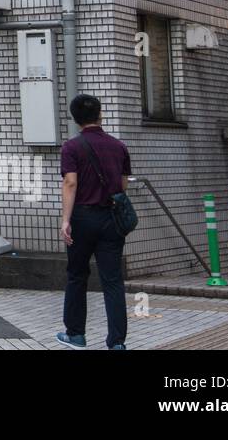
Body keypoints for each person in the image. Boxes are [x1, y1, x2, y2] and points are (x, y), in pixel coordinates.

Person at [58, 93, 131, 350]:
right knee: (112, 280)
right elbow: (122, 186)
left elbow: (70, 182)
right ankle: (117, 343)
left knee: (77, 274)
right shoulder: (118, 146)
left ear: (76, 119)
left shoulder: (71, 147)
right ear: (100, 114)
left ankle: (76, 334)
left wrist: (66, 220)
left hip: (82, 217)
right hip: (111, 217)